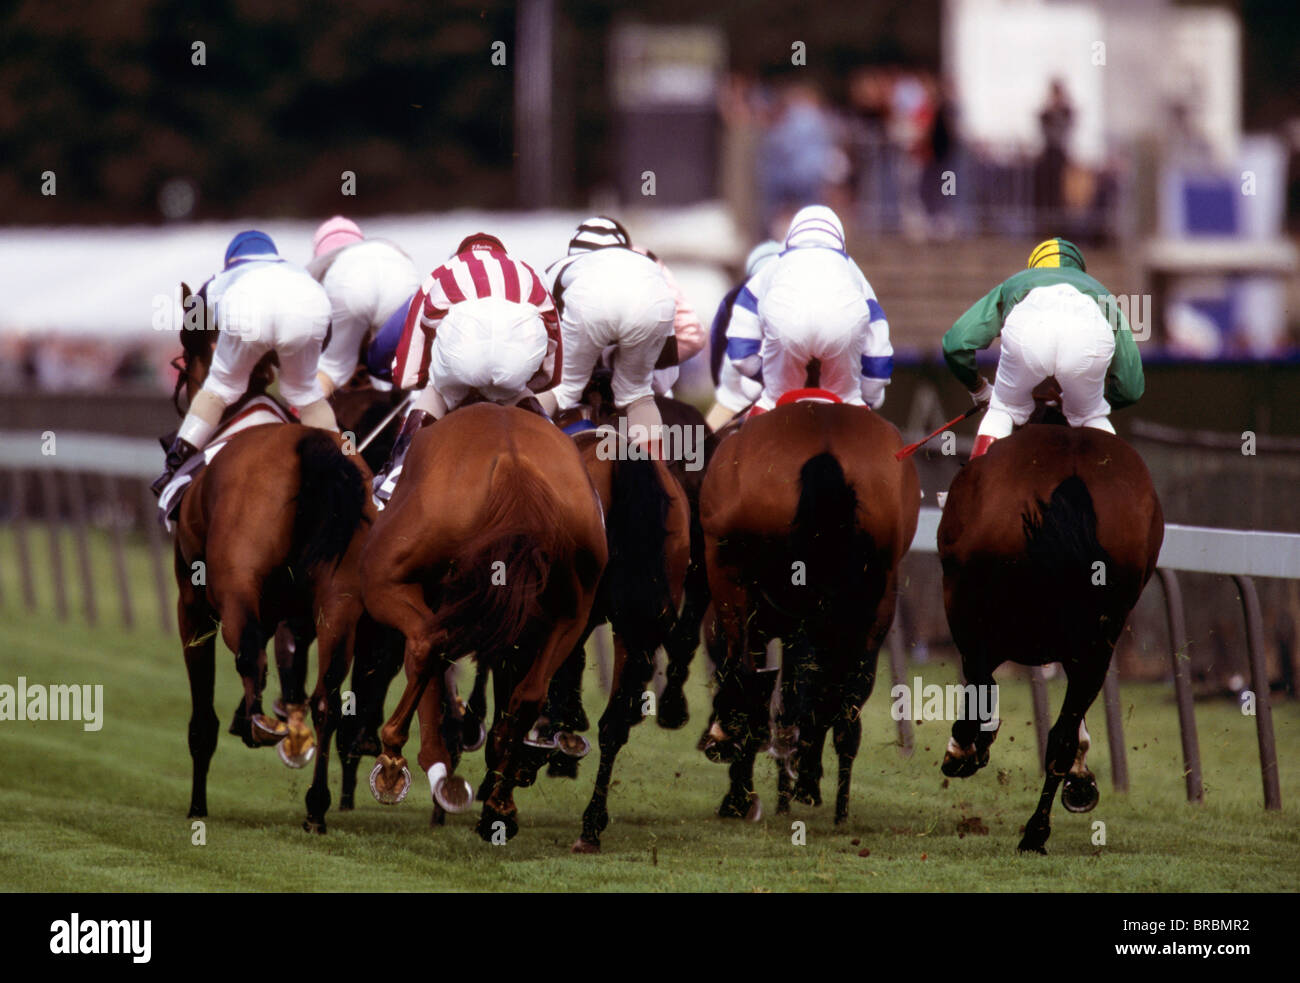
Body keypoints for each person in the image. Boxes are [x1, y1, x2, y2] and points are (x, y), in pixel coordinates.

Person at [371, 232, 559, 502]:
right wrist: (540, 382)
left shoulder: (442, 273)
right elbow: (553, 332)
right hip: (516, 362)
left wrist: (418, 379)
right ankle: (561, 450)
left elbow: (411, 351)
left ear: (462, 255)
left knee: (435, 393)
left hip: (461, 362)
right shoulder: (526, 272)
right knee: (517, 391)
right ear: (501, 254)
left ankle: (394, 479)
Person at [151, 230, 336, 495]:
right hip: (311, 306)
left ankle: (174, 466)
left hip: (247, 312)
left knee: (219, 389)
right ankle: (343, 458)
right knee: (306, 394)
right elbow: (325, 339)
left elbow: (194, 333)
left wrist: (222, 347)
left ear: (232, 259)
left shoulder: (220, 279)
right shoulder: (299, 273)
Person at [941, 237, 1144, 459]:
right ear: (1079, 270)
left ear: (1034, 267)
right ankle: (1113, 483)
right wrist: (1086, 402)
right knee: (1092, 416)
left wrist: (979, 389)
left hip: (1029, 331)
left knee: (1003, 410)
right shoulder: (1102, 292)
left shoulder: (1016, 282)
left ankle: (975, 487)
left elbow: (955, 344)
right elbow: (1131, 388)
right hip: (1088, 337)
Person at [724, 205, 893, 412]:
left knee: (771, 402)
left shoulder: (774, 266)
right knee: (851, 402)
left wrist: (763, 375)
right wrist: (870, 395)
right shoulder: (850, 269)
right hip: (841, 331)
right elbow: (878, 348)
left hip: (787, 330)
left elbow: (741, 348)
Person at [537, 217, 684, 449]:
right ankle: (656, 476)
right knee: (637, 395)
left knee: (561, 390)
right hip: (653, 302)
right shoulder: (646, 263)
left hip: (591, 304)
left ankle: (527, 457)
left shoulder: (558, 269)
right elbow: (666, 374)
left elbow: (542, 346)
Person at [305, 216, 420, 396]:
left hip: (349, 285)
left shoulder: (324, 267)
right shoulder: (373, 250)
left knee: (330, 370)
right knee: (408, 368)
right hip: (401, 276)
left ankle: (303, 415)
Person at [705, 240, 781, 430]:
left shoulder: (736, 297)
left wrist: (722, 389)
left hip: (742, 391)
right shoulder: (800, 292)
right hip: (796, 386)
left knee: (699, 450)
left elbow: (718, 345)